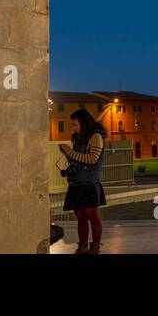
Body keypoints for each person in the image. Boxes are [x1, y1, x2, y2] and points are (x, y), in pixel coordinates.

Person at [60, 108, 107, 254]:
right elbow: (77, 158)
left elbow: (92, 159)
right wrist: (68, 155)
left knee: (92, 216)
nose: (73, 128)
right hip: (76, 182)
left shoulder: (96, 136)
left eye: (75, 124)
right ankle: (83, 245)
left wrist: (70, 152)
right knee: (80, 217)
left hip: (89, 182)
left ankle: (96, 246)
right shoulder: (77, 137)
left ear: (84, 123)